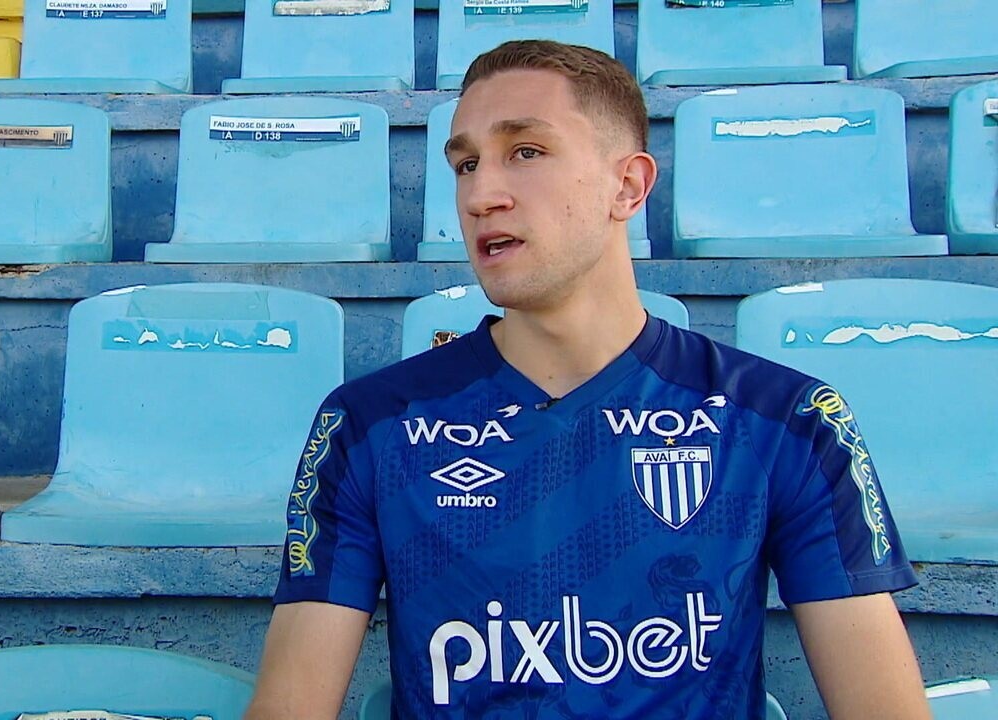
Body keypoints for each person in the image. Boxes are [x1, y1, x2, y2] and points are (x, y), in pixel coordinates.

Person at [244, 40, 930, 719]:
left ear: (626, 186)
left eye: (527, 152)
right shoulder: (369, 426)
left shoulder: (788, 421)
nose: (482, 194)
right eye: (465, 164)